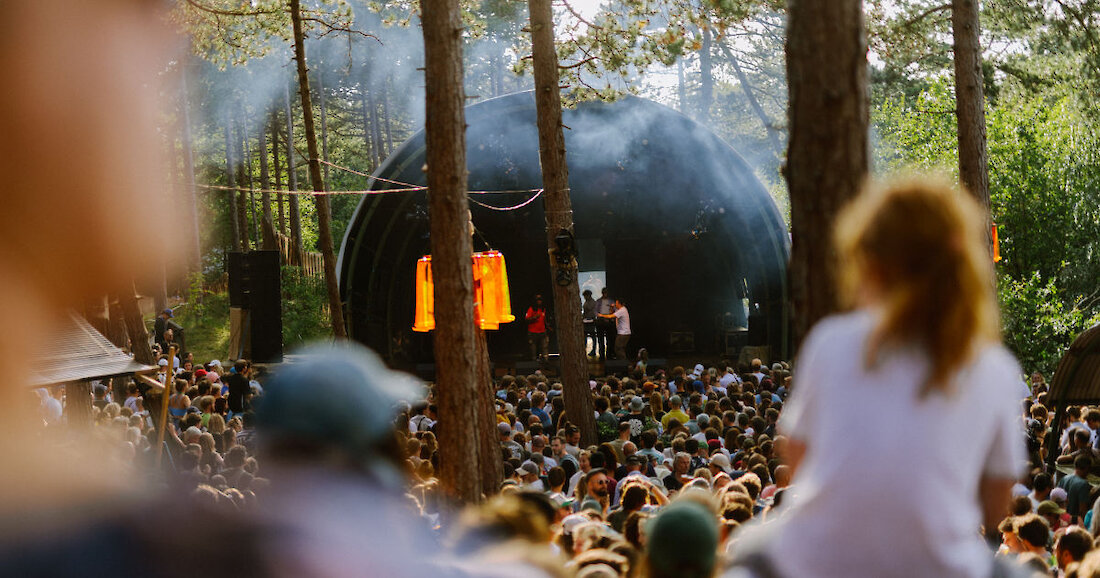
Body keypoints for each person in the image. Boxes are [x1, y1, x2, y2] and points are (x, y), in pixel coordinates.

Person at [727, 178, 1025, 578]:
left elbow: (797, 456)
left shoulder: (830, 342)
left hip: (815, 561)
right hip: (946, 567)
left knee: (744, 548)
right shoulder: (994, 367)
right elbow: (995, 501)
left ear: (869, 259)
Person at [525, 294, 549, 362]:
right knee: (533, 348)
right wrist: (534, 317)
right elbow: (526, 319)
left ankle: (546, 361)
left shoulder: (543, 309)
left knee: (545, 347)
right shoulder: (531, 309)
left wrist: (548, 327)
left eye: (540, 300)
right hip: (532, 332)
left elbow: (545, 319)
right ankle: (533, 361)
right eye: (538, 300)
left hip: (542, 331)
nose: (539, 301)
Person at [595, 288, 614, 360]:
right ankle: (601, 355)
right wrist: (600, 316)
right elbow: (595, 311)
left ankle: (609, 354)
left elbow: (614, 310)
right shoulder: (598, 301)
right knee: (600, 339)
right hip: (601, 321)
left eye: (606, 293)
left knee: (609, 339)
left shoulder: (611, 301)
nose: (605, 294)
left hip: (609, 320)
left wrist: (610, 316)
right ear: (602, 293)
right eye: (604, 293)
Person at [582, 289, 598, 357]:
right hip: (586, 320)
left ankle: (593, 350)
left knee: (592, 336)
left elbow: (588, 308)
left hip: (591, 320)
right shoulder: (587, 302)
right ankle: (584, 349)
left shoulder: (592, 302)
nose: (585, 297)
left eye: (585, 296)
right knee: (585, 336)